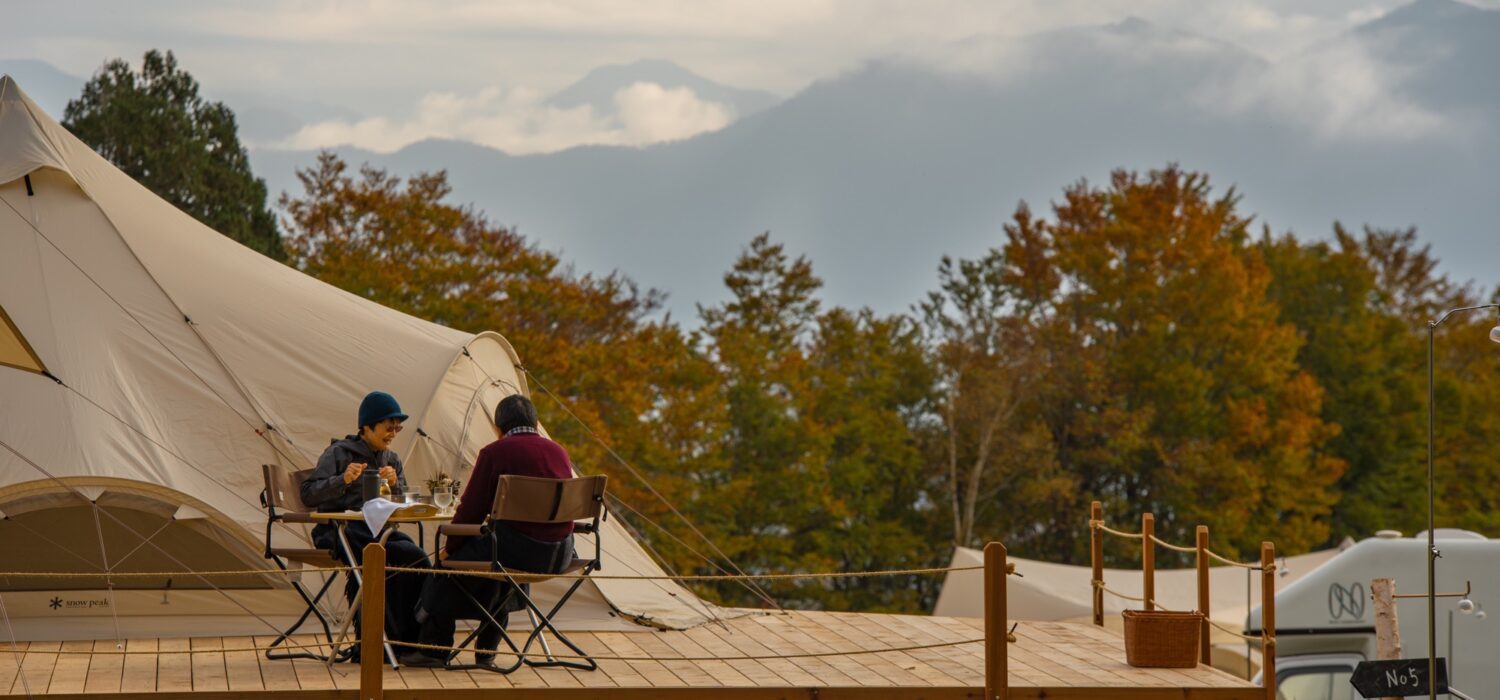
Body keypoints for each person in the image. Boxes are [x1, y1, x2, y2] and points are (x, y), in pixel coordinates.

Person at [403, 394, 576, 668]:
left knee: (447, 567)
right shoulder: (559, 452)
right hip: (560, 554)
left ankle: (433, 649)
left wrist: (450, 546)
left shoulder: (496, 453)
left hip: (514, 552)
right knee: (497, 565)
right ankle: (487, 651)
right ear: (535, 422)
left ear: (498, 427)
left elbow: (471, 510)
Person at [301, 390, 432, 651]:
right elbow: (308, 494)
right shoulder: (339, 452)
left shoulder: (391, 459)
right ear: (367, 426)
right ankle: (371, 645)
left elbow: (403, 501)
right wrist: (343, 479)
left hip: (379, 532)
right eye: (388, 428)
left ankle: (406, 641)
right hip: (339, 531)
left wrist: (396, 485)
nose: (393, 434)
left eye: (397, 429)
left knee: (416, 558)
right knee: (385, 557)